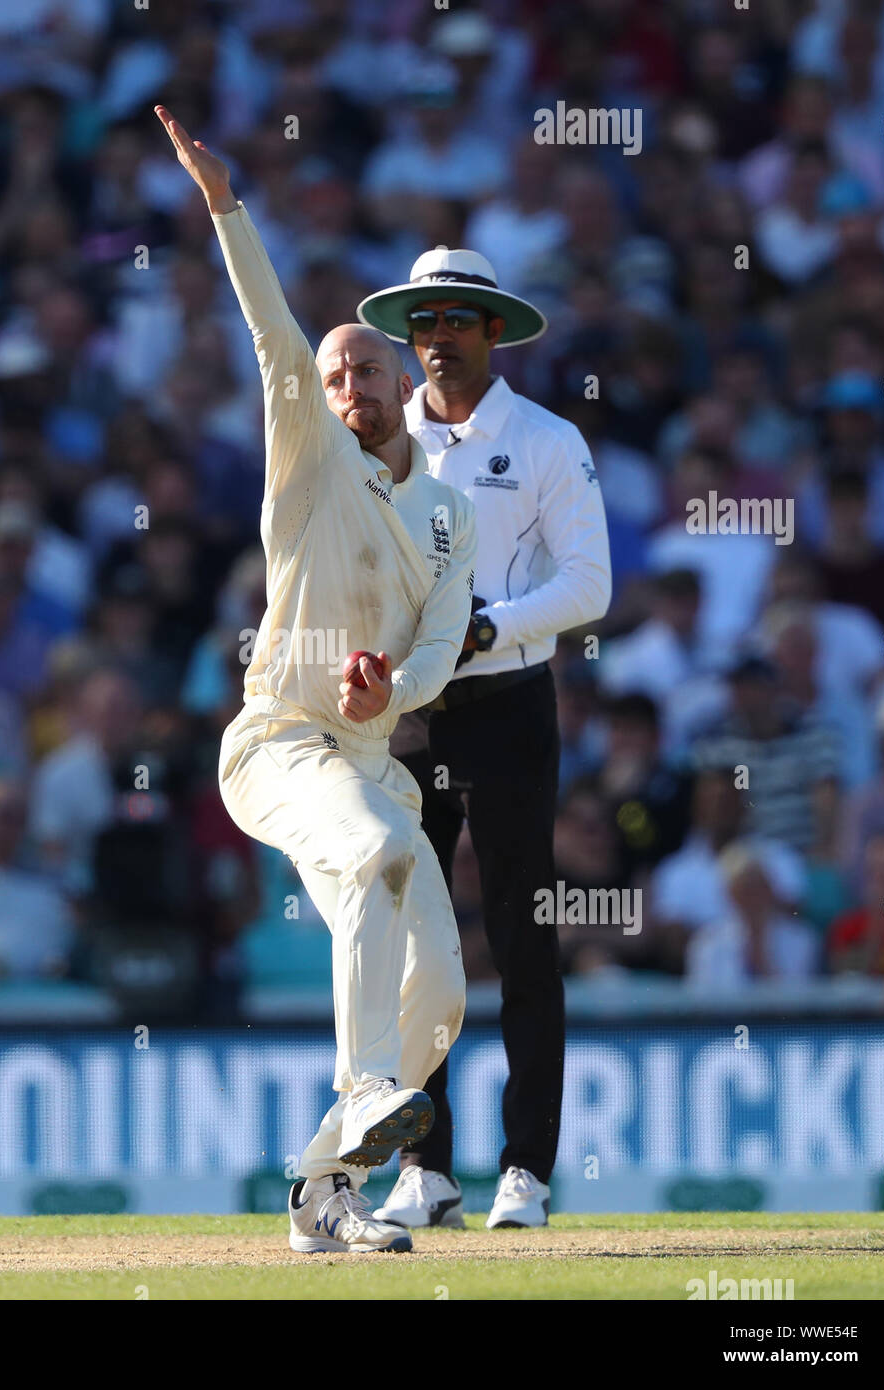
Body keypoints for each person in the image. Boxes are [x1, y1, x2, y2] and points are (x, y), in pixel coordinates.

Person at [156, 105, 476, 1255]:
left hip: (368, 753)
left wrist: (385, 695)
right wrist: (224, 205)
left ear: (401, 381)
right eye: (332, 371)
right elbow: (270, 334)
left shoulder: (446, 513)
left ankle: (320, 1185)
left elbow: (441, 640)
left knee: (438, 993)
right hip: (278, 741)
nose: (344, 380)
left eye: (364, 366)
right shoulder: (307, 455)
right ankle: (361, 1088)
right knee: (384, 856)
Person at [357, 242, 611, 1230]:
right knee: (414, 941)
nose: (437, 339)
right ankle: (425, 1165)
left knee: (517, 932)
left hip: (505, 704)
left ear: (492, 329)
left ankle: (526, 1170)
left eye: (456, 319)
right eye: (423, 322)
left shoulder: (544, 439)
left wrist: (487, 625)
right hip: (412, 714)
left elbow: (589, 584)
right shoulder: (375, 445)